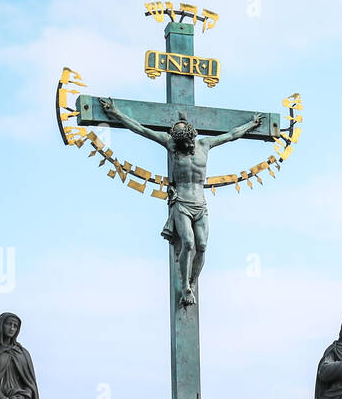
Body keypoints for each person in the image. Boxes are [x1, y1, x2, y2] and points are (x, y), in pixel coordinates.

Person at [98, 99, 263, 307]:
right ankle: (185, 285)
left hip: (200, 205)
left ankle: (193, 281)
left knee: (202, 246)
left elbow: (230, 136)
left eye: (188, 143)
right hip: (182, 204)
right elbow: (141, 129)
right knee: (188, 243)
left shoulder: (205, 145)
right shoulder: (171, 144)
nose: (186, 147)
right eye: (182, 144)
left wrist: (251, 124)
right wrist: (116, 112)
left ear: (193, 136)